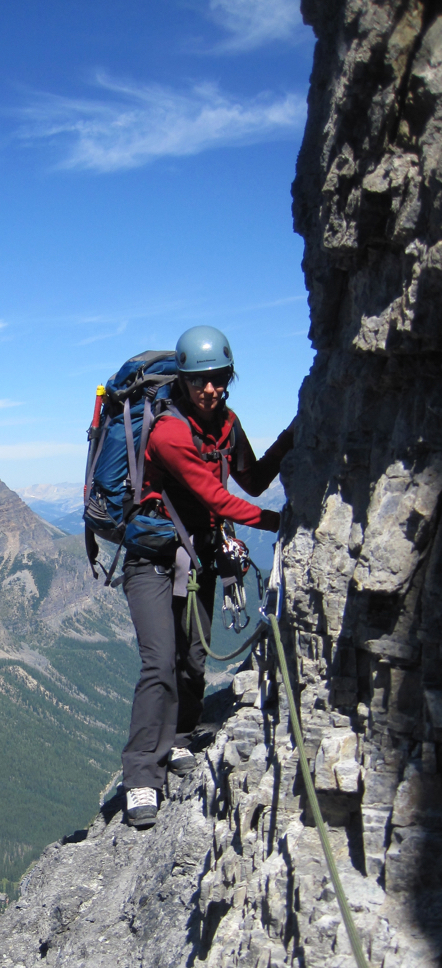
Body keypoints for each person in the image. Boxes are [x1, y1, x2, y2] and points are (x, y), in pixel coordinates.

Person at [121, 325, 293, 828]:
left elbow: (253, 479)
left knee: (193, 657)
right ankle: (140, 779)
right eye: (202, 381)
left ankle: (176, 739)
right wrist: (286, 523)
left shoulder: (226, 423)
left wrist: (292, 437)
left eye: (220, 379)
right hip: (150, 560)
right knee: (159, 660)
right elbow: (218, 498)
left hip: (196, 556)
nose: (212, 389)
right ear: (184, 382)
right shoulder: (170, 432)